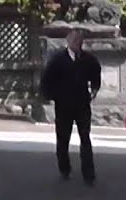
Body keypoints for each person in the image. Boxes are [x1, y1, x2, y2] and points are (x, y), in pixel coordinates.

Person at [40, 29, 102, 186]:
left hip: (82, 103)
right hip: (64, 104)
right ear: (68, 41)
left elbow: (96, 75)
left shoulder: (88, 59)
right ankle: (64, 168)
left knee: (85, 138)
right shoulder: (58, 59)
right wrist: (52, 96)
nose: (77, 43)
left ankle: (89, 173)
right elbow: (47, 79)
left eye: (79, 41)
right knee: (63, 138)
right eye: (74, 40)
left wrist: (94, 89)